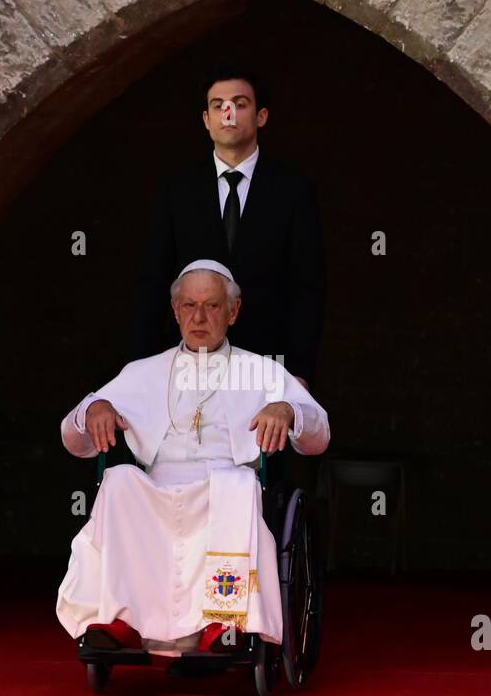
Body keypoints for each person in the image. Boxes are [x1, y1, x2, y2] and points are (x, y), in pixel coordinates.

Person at [58, 260, 331, 658]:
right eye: (188, 306)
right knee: (118, 481)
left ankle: (224, 620)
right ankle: (121, 621)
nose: (198, 317)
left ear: (233, 312)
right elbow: (72, 435)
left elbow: (319, 434)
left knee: (237, 487)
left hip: (226, 485)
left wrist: (287, 410)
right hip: (156, 490)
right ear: (175, 311)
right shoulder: (142, 372)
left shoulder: (262, 371)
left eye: (212, 306)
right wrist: (94, 407)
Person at [131, 64, 326, 390]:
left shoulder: (294, 191)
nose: (228, 113)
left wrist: (299, 370)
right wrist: (140, 366)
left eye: (240, 104)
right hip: (190, 361)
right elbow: (152, 281)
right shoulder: (177, 190)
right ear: (206, 120)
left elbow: (307, 287)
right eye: (218, 106)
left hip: (268, 362)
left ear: (261, 116)